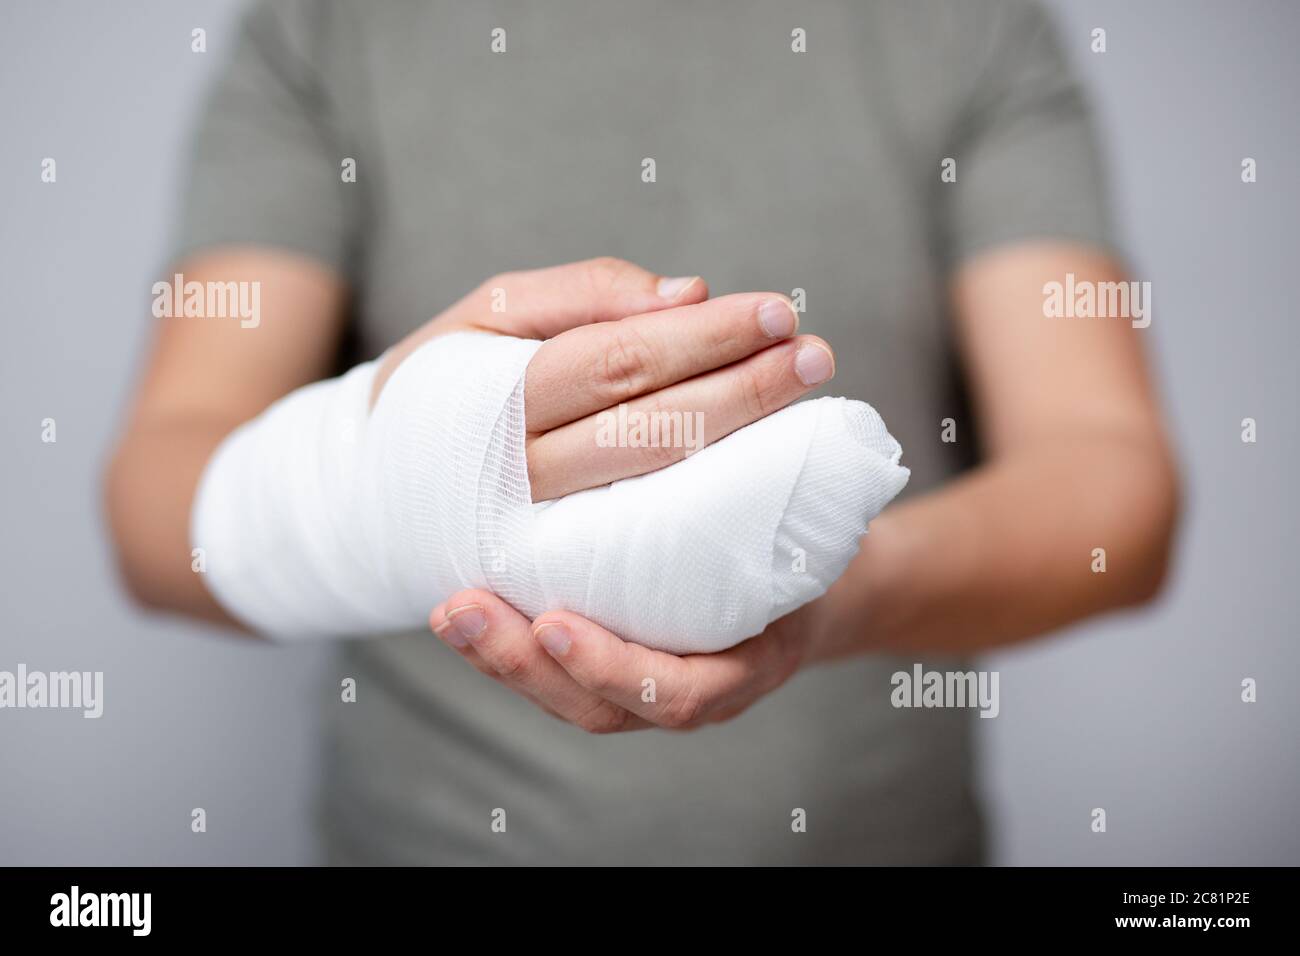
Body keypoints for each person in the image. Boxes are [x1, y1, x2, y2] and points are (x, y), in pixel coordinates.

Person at [105, 0, 1179, 864]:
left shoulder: (967, 23)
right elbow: (157, 508)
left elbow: (1113, 484)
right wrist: (407, 456)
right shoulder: (327, 25)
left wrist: (826, 590)